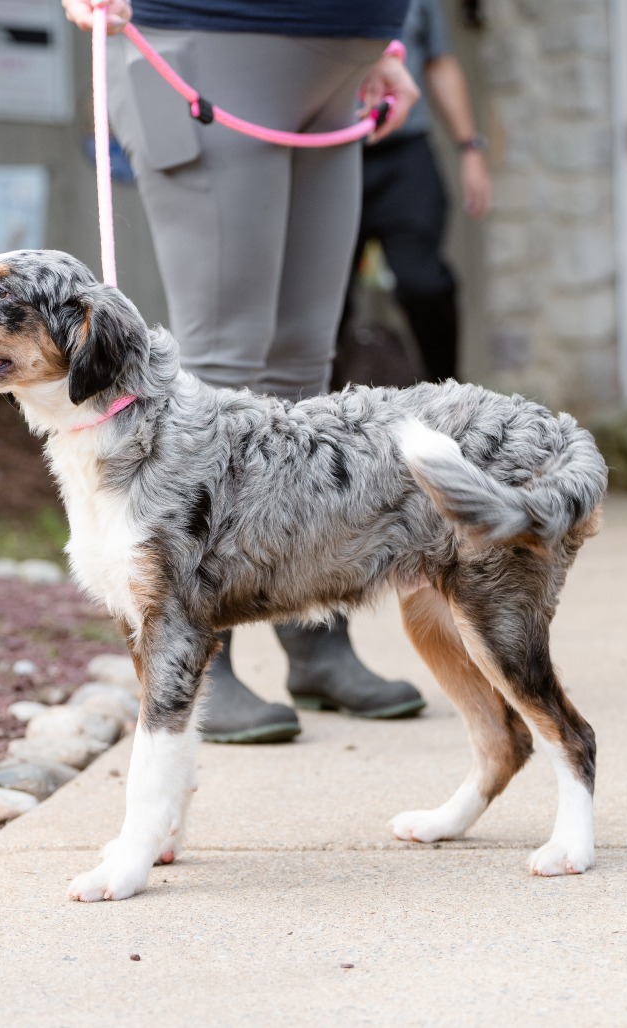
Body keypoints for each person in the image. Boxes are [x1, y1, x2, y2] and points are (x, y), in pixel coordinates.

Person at [63, 0, 427, 743]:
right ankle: (196, 655)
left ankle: (312, 631)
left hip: (337, 52)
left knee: (303, 360)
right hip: (208, 35)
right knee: (221, 360)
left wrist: (383, 42)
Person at [343, 0, 491, 385]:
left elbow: (439, 61)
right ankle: (319, 412)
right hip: (332, 152)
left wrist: (470, 149)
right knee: (325, 304)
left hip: (404, 155)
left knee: (423, 283)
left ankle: (449, 392)